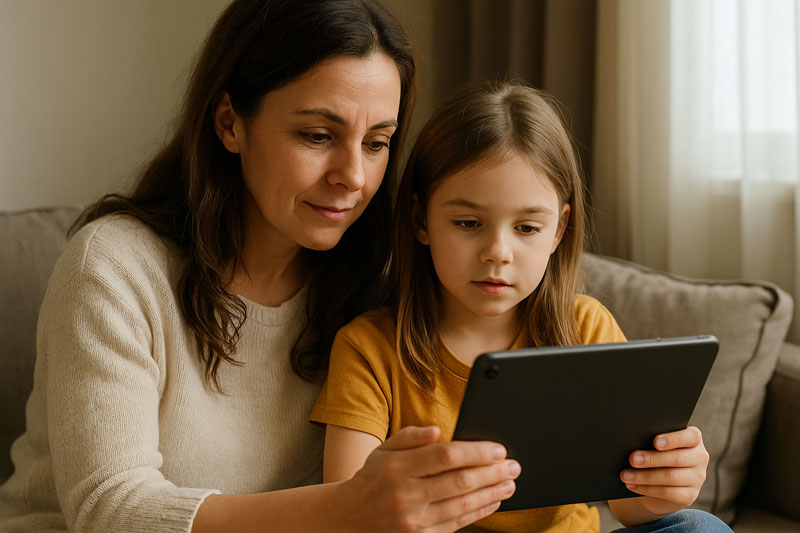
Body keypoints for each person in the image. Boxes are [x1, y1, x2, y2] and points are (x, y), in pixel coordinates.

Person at [0, 2, 522, 532]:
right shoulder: (113, 269)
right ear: (230, 123)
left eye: (376, 143)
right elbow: (110, 511)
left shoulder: (376, 284)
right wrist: (347, 507)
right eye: (318, 136)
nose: (354, 176)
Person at [310, 81, 733, 532]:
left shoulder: (584, 328)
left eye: (528, 228)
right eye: (468, 223)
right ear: (421, 220)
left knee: (696, 526)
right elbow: (350, 510)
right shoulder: (370, 348)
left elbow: (628, 507)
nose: (498, 252)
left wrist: (665, 484)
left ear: (558, 230)